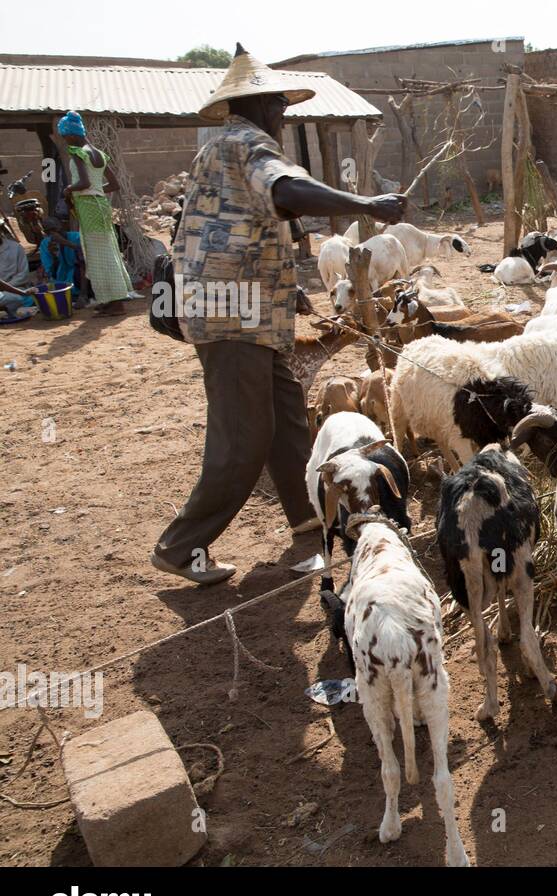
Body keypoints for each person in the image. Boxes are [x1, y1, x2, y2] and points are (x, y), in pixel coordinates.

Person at [151, 45, 406, 586]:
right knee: (243, 436)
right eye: (279, 105)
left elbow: (245, 222)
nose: (284, 114)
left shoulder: (217, 151)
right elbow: (287, 189)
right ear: (262, 104)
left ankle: (308, 529)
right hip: (231, 317)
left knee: (287, 422)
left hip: (246, 313)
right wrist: (366, 205)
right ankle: (181, 545)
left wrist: (286, 292)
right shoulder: (250, 145)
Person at [59, 111, 134, 315]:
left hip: (89, 207)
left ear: (71, 135)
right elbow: (114, 184)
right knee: (105, 251)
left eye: (65, 137)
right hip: (100, 204)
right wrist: (96, 191)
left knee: (99, 255)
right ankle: (109, 299)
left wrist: (69, 189)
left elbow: (84, 183)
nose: (65, 141)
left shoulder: (77, 152)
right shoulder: (99, 154)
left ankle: (116, 303)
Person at [38, 216, 83, 294]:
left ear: (61, 226)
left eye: (54, 229)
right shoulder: (45, 244)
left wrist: (65, 242)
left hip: (78, 275)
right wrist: (54, 256)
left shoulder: (77, 237)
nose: (53, 234)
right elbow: (52, 272)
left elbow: (85, 256)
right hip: (60, 278)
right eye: (49, 232)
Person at [0, 231, 36, 320]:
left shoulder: (15, 247)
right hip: (7, 290)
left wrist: (22, 291)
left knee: (16, 299)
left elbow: (23, 275)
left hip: (15, 287)